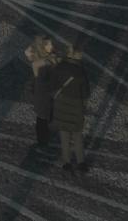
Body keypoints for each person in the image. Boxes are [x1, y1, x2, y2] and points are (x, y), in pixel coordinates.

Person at [52, 44, 90, 172]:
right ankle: (81, 162)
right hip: (76, 105)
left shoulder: (59, 67)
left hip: (61, 104)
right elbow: (86, 93)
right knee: (77, 135)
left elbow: (53, 85)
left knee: (64, 135)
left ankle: (66, 162)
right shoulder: (80, 70)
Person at [25, 36, 60, 151]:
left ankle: (44, 141)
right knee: (42, 121)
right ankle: (42, 143)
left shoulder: (45, 60)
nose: (51, 46)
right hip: (43, 95)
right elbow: (28, 52)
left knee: (45, 119)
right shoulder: (39, 63)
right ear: (42, 47)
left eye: (51, 44)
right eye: (48, 45)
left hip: (47, 94)